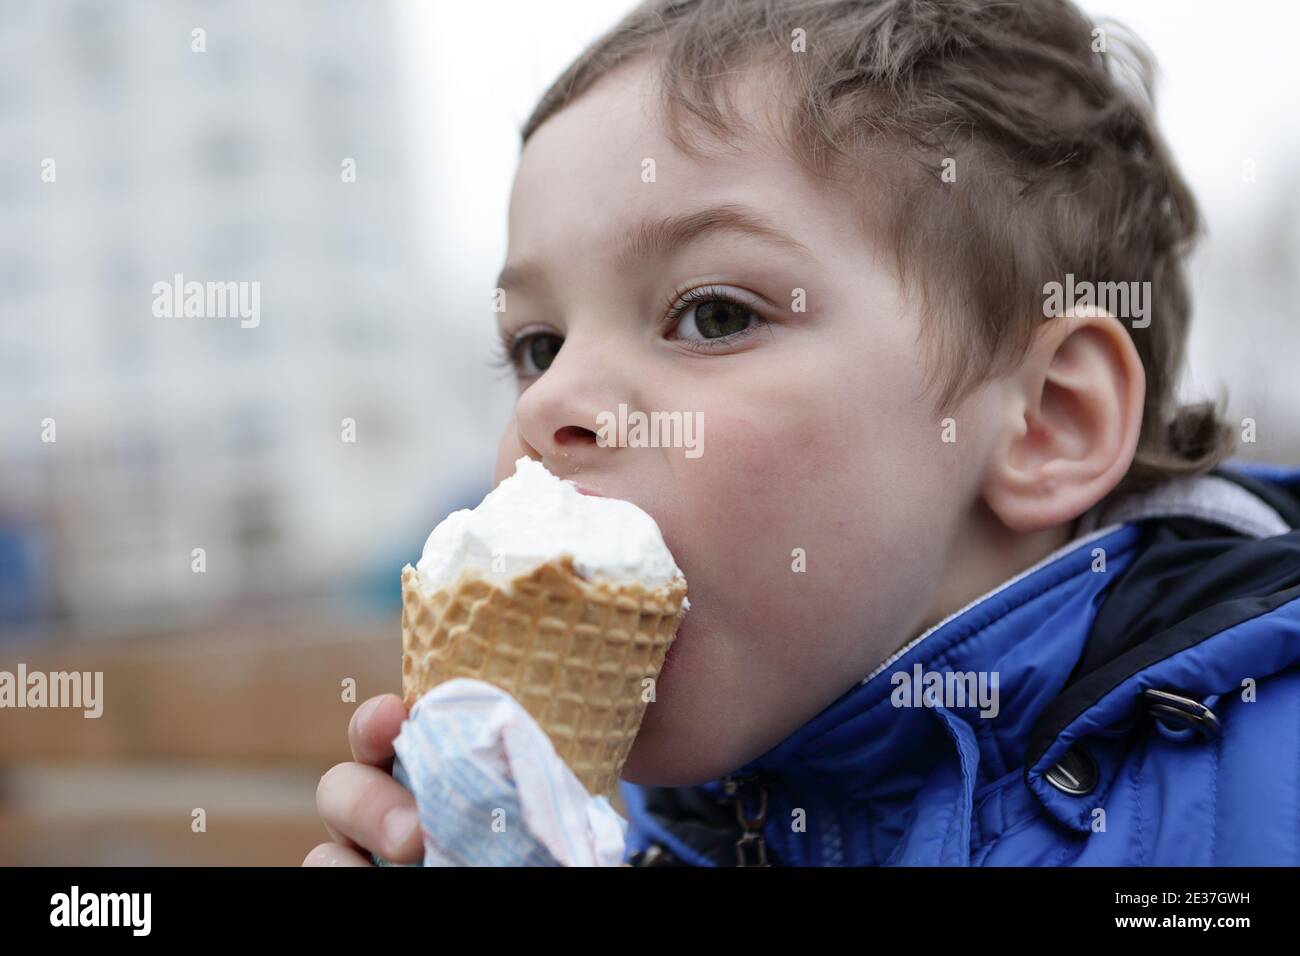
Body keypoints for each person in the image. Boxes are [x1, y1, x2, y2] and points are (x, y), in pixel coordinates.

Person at [306, 0, 1300, 867]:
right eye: (535, 344)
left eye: (714, 314)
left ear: (1044, 422)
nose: (546, 403)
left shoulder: (1264, 782)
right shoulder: (653, 831)